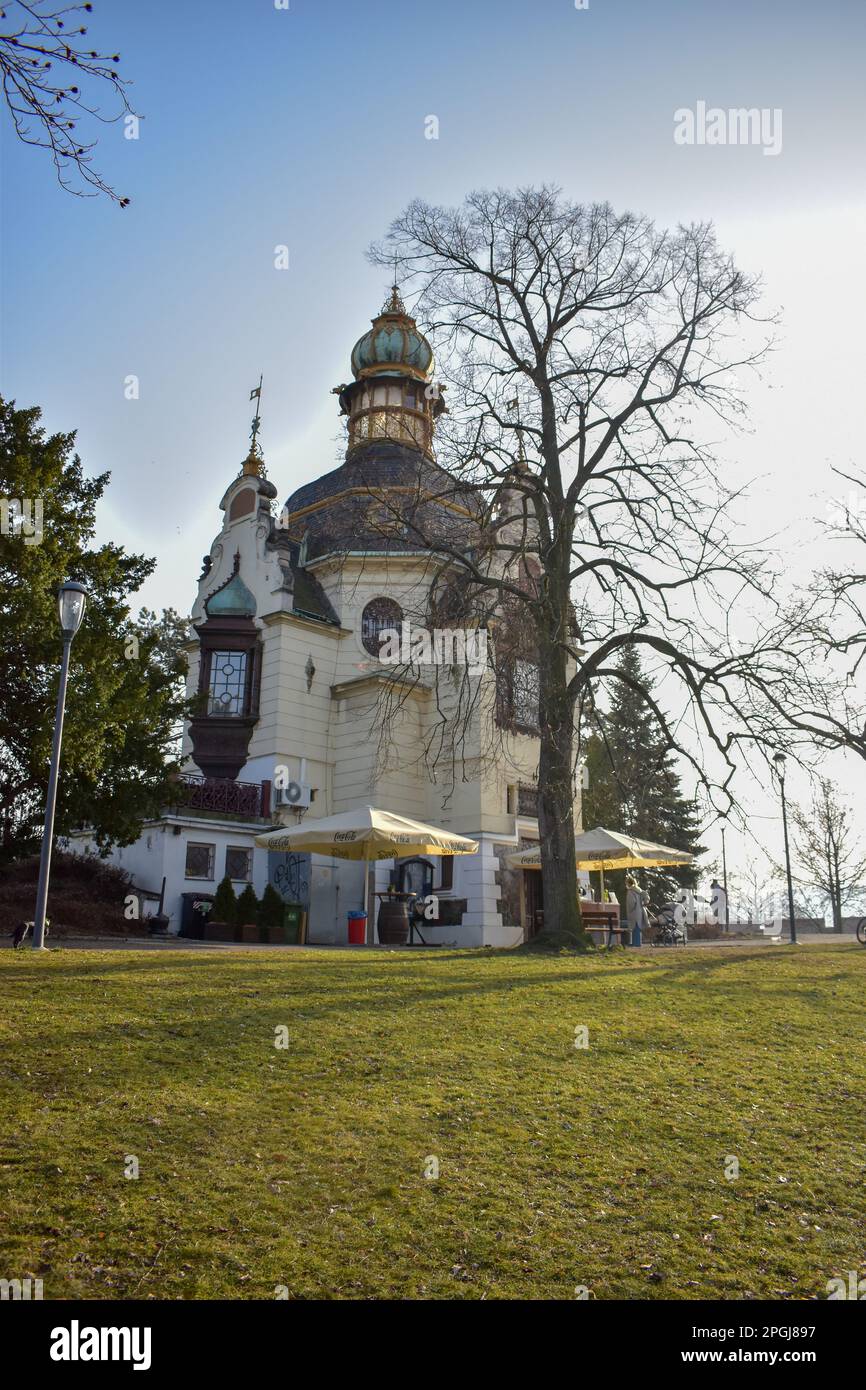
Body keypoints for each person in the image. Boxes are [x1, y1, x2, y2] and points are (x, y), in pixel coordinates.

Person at [625, 875, 649, 947]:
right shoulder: (639, 890)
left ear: (628, 883)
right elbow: (646, 897)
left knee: (634, 927)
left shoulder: (630, 891)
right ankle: (638, 943)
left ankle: (635, 944)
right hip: (640, 911)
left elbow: (632, 902)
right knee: (638, 928)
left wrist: (629, 909)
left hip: (633, 912)